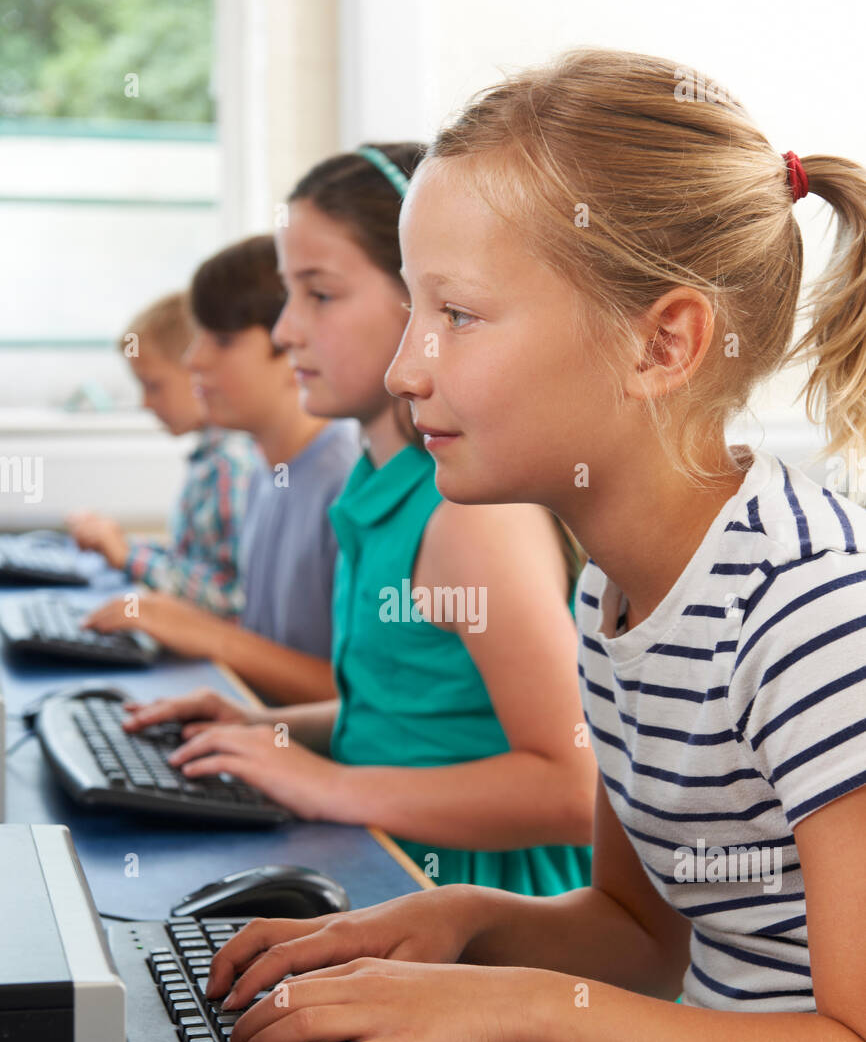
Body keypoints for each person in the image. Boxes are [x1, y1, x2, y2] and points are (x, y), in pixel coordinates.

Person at [188, 53, 866, 1042]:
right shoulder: (618, 587)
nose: (407, 368)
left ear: (661, 343)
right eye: (411, 309)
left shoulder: (811, 610)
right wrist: (459, 922)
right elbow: (637, 929)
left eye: (456, 313)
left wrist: (523, 1008)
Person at [123, 143, 597, 894]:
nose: (285, 332)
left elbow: (575, 790)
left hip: (485, 910)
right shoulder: (382, 483)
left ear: (421, 295)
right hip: (390, 868)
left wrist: (327, 784)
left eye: (319, 294)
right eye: (287, 297)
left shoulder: (469, 518)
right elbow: (411, 721)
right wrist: (268, 728)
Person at [84, 237, 361, 704]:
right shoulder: (259, 466)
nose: (194, 360)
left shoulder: (347, 481)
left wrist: (204, 633)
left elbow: (357, 698)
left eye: (223, 340)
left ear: (293, 341)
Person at [68, 291, 256, 616]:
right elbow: (195, 564)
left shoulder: (231, 465)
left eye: (153, 386)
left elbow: (230, 596)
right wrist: (122, 543)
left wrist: (128, 557)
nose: (144, 402)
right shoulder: (209, 456)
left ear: (200, 369)